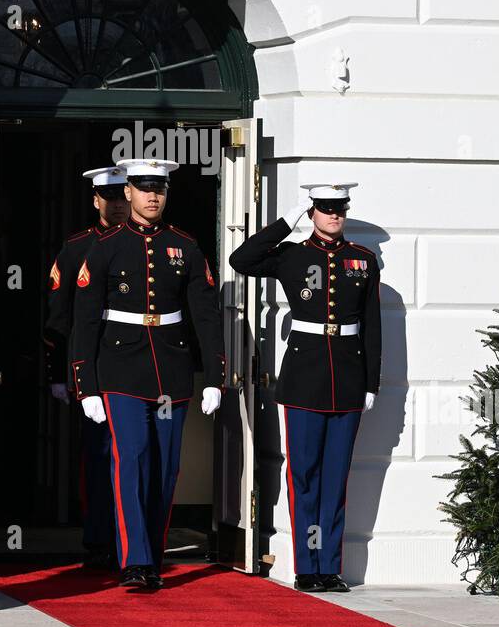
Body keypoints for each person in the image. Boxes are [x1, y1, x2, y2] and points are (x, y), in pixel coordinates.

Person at [69, 158, 225, 589]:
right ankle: (134, 559)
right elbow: (85, 320)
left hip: (170, 371)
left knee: (165, 468)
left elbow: (206, 316)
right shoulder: (106, 246)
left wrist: (215, 376)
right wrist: (86, 386)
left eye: (159, 188)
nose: (152, 195)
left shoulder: (185, 246)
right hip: (120, 370)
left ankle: (151, 557)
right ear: (129, 193)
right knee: (131, 461)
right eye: (143, 187)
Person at [229, 183, 381, 593]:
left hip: (348, 379)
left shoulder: (363, 261)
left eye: (339, 209)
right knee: (305, 475)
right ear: (313, 212)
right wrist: (283, 223)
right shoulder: (293, 255)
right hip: (303, 381)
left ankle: (329, 567)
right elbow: (240, 259)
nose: (334, 216)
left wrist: (371, 382)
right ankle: (306, 566)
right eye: (325, 209)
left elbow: (373, 328)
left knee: (335, 477)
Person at [41, 165, 130, 569]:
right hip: (92, 369)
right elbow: (58, 319)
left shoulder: (147, 243)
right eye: (107, 198)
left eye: (120, 197)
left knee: (135, 458)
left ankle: (133, 544)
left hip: (136, 366)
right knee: (98, 459)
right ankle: (99, 542)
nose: (115, 205)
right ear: (95, 201)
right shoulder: (76, 248)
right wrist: (59, 375)